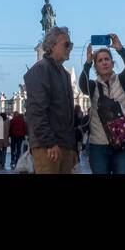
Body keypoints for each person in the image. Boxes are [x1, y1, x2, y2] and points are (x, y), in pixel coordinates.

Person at [23, 26, 80, 174]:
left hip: (65, 145)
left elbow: (69, 115)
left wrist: (73, 147)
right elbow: (36, 111)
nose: (70, 48)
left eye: (71, 45)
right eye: (67, 44)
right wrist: (49, 142)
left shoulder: (65, 74)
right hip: (47, 146)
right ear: (52, 46)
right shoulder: (39, 70)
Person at [79, 35, 125, 175]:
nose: (104, 62)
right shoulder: (92, 86)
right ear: (96, 66)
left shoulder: (122, 80)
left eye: (107, 59)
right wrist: (87, 63)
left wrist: (120, 49)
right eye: (100, 60)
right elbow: (82, 83)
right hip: (98, 145)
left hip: (123, 143)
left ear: (112, 62)